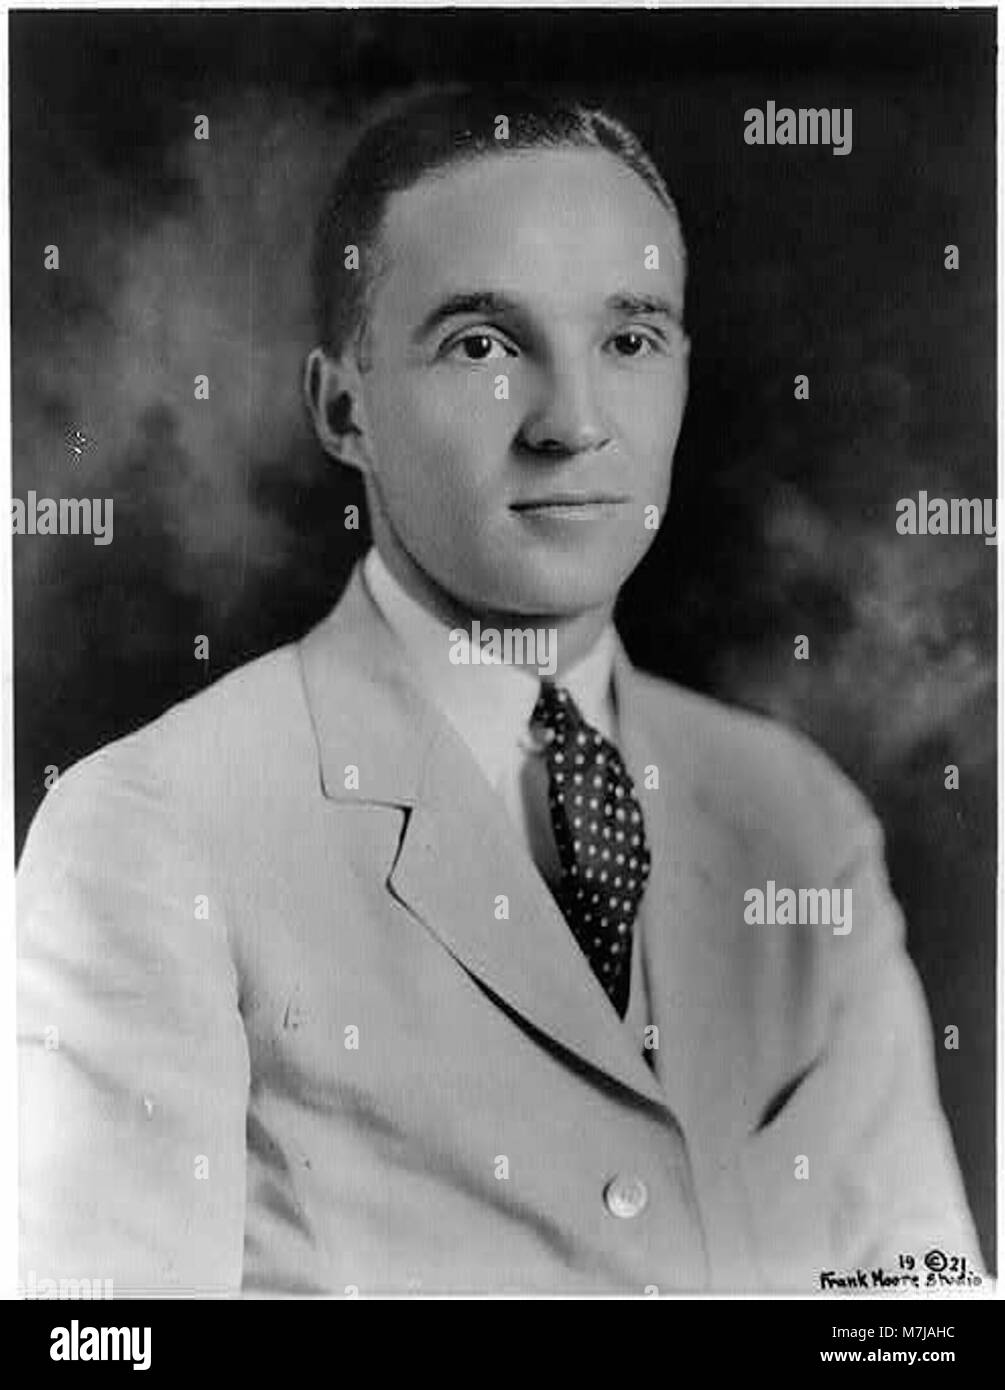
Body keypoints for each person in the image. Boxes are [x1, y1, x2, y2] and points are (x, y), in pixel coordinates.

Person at [17, 86, 980, 1296]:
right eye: (482, 344)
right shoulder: (151, 831)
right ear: (343, 408)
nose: (574, 424)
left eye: (629, 340)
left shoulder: (802, 817)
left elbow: (919, 1321)